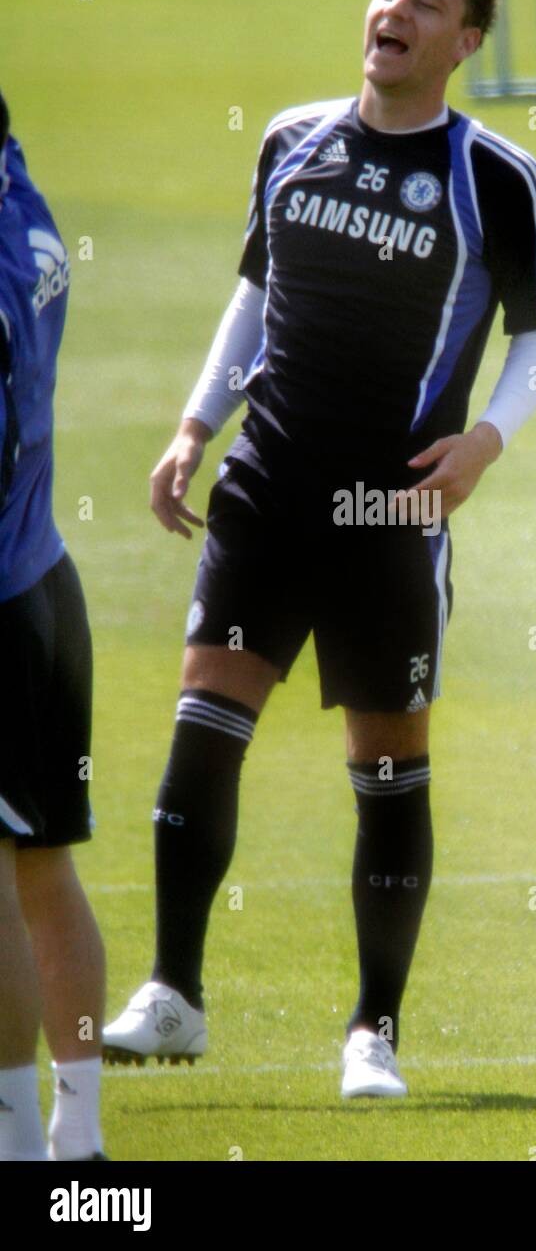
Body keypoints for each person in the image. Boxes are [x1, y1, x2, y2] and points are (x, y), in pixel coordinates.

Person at [103, 0, 536, 1098]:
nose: (397, 6)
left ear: (464, 44)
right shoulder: (291, 140)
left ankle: (374, 1031)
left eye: (430, 0)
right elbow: (256, 294)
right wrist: (192, 427)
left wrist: (484, 443)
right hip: (267, 484)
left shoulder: (495, 178)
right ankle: (172, 996)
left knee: (388, 764)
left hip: (391, 506)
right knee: (205, 717)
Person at [0, 90, 108, 1159]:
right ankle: (78, 1141)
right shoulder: (21, 202)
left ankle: (18, 1147)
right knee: (45, 868)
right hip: (45, 590)